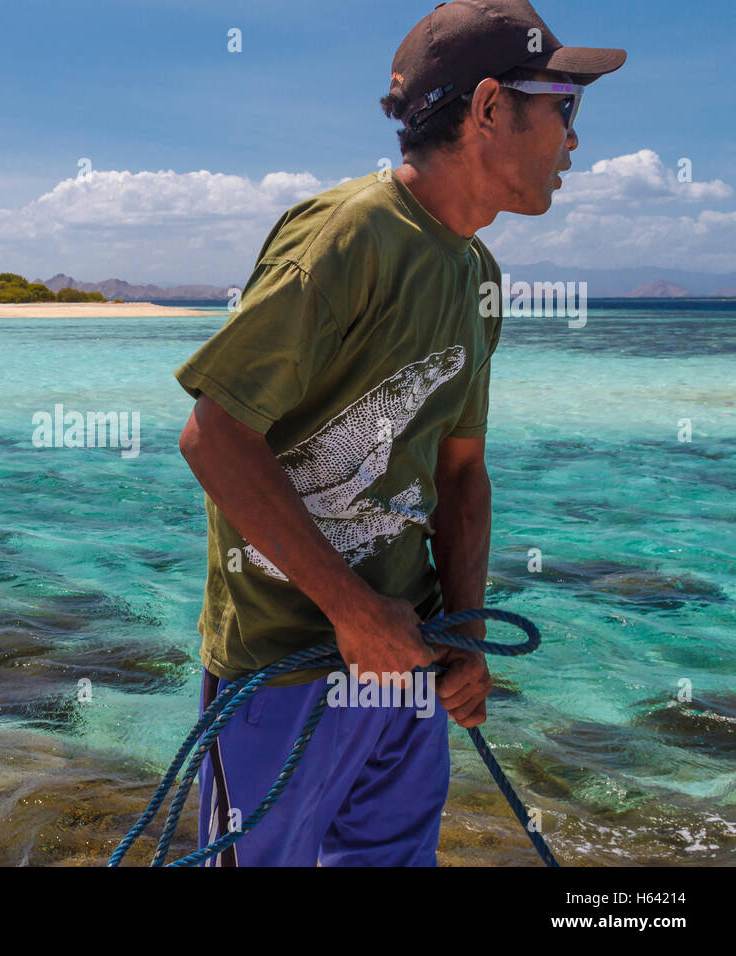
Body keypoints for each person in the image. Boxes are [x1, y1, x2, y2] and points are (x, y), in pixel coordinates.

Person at [174, 0, 624, 866]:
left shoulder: (475, 272)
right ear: (490, 108)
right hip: (287, 667)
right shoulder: (346, 236)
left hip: (409, 662)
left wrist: (462, 637)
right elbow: (214, 434)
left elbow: (461, 476)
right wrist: (351, 611)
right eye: (564, 104)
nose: (575, 138)